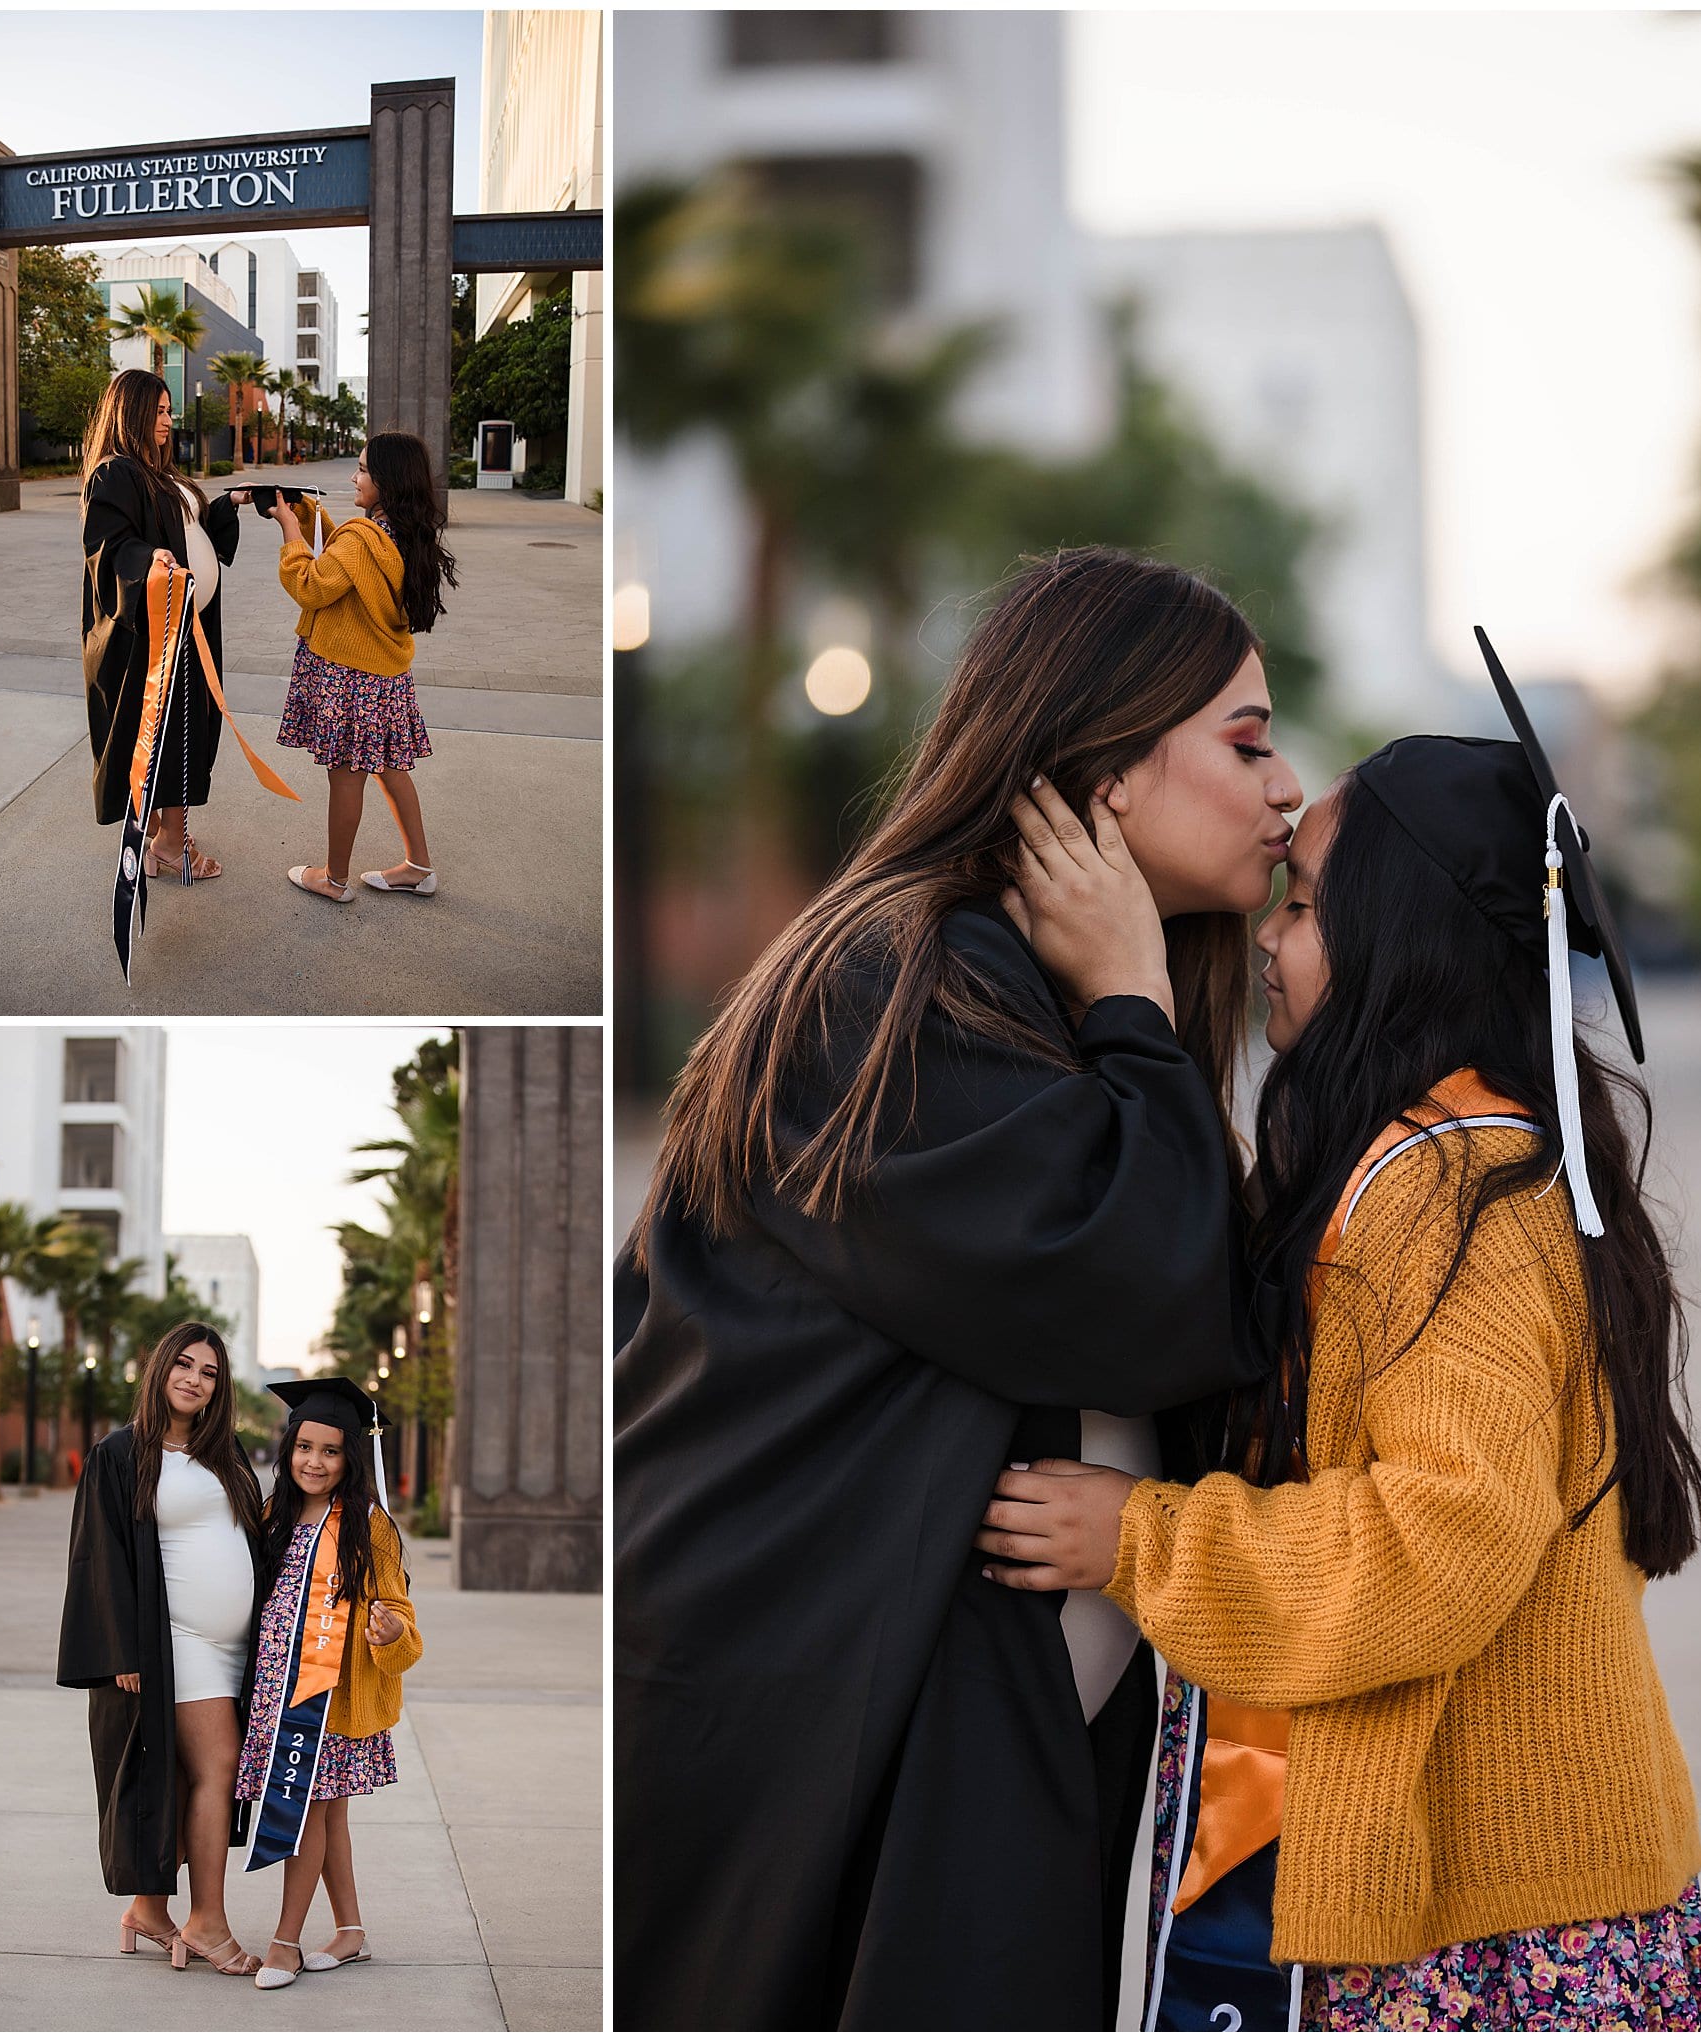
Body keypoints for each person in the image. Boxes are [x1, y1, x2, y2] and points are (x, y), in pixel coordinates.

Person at [977, 630, 1701, 2032]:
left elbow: (1438, 1539)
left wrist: (1136, 1537)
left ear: (1404, 943)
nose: (1268, 932)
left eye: (1306, 907)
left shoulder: (1455, 1184)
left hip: (1492, 1932)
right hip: (1467, 1899)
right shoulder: (1425, 1158)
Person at [617, 548, 1306, 2029]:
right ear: (1108, 770)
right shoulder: (898, 984)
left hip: (968, 1704)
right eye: (1246, 743)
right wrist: (1129, 999)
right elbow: (1148, 1293)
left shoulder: (1015, 982)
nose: (1288, 788)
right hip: (832, 1712)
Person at [58, 1322, 267, 1976]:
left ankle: (148, 1912)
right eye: (184, 1365)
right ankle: (207, 1920)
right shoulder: (121, 1454)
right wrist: (123, 1649)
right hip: (174, 1641)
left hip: (233, 1649)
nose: (194, 1380)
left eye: (208, 1372)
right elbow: (99, 1556)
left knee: (177, 1773)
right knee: (219, 1764)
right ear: (160, 1370)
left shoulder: (223, 1453)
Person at [236, 1377, 421, 1990]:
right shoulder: (275, 1514)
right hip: (277, 1692)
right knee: (329, 1818)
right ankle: (351, 1933)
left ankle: (284, 1942)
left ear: (352, 1458)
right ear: (289, 1450)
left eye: (331, 1451)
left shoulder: (369, 1526)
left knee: (307, 1812)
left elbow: (407, 1629)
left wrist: (390, 1632)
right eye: (304, 1448)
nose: (314, 1462)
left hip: (328, 1703)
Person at [271, 433, 456, 901]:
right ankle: (418, 866)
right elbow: (349, 558)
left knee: (346, 776)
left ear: (387, 480)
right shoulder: (405, 534)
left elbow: (313, 584)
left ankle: (333, 879)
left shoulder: (361, 540)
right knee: (392, 769)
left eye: (362, 470)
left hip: (348, 678)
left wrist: (291, 534)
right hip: (386, 679)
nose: (354, 478)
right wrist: (308, 516)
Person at [80, 370, 245, 877]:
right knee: (169, 731)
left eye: (170, 411)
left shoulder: (158, 472)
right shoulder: (114, 474)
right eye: (159, 411)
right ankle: (173, 846)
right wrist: (149, 558)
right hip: (153, 635)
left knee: (182, 729)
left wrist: (230, 503)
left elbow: (189, 526)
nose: (168, 421)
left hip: (187, 625)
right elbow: (109, 546)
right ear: (130, 412)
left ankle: (161, 829)